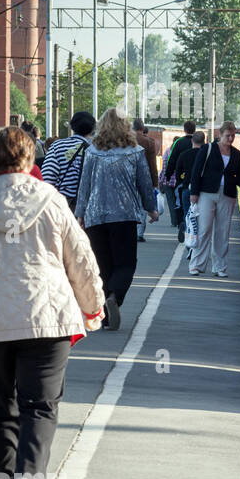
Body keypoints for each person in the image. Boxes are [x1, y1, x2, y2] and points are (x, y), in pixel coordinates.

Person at [0, 127, 104, 479]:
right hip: (47, 319)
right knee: (40, 405)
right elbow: (80, 258)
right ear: (30, 160)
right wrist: (93, 308)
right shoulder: (51, 200)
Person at [75, 108, 158, 330]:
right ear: (125, 126)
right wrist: (152, 209)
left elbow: (85, 186)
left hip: (96, 216)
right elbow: (145, 184)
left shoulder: (92, 151)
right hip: (124, 215)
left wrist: (80, 214)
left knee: (102, 266)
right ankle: (115, 298)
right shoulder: (135, 152)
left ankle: (106, 315)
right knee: (126, 263)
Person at [189, 121, 240, 278]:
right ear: (220, 135)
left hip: (227, 195)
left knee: (222, 231)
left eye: (233, 135)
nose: (230, 139)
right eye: (227, 136)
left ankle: (220, 267)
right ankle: (196, 265)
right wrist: (194, 193)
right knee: (204, 229)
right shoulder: (208, 149)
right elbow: (196, 172)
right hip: (206, 193)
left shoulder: (237, 154)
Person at [40, 111, 96, 211]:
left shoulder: (57, 146)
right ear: (92, 129)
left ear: (72, 126)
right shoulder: (94, 150)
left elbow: (47, 179)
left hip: (62, 207)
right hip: (88, 209)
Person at [160, 120, 197, 235]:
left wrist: (167, 175)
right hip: (197, 179)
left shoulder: (178, 143)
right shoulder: (198, 142)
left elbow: (172, 159)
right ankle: (193, 226)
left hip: (181, 178)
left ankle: (182, 222)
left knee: (181, 202)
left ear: (184, 130)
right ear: (194, 129)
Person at [171, 129, 205, 244]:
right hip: (203, 191)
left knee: (187, 214)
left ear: (192, 141)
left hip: (186, 189)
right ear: (204, 142)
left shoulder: (184, 155)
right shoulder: (206, 156)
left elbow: (178, 171)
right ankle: (198, 241)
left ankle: (187, 235)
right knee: (202, 217)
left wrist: (183, 180)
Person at [132, 118, 159, 242]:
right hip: (144, 177)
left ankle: (130, 229)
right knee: (142, 206)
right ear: (143, 129)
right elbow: (152, 164)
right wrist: (155, 183)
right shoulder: (149, 142)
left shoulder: (124, 140)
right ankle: (139, 233)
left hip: (127, 178)